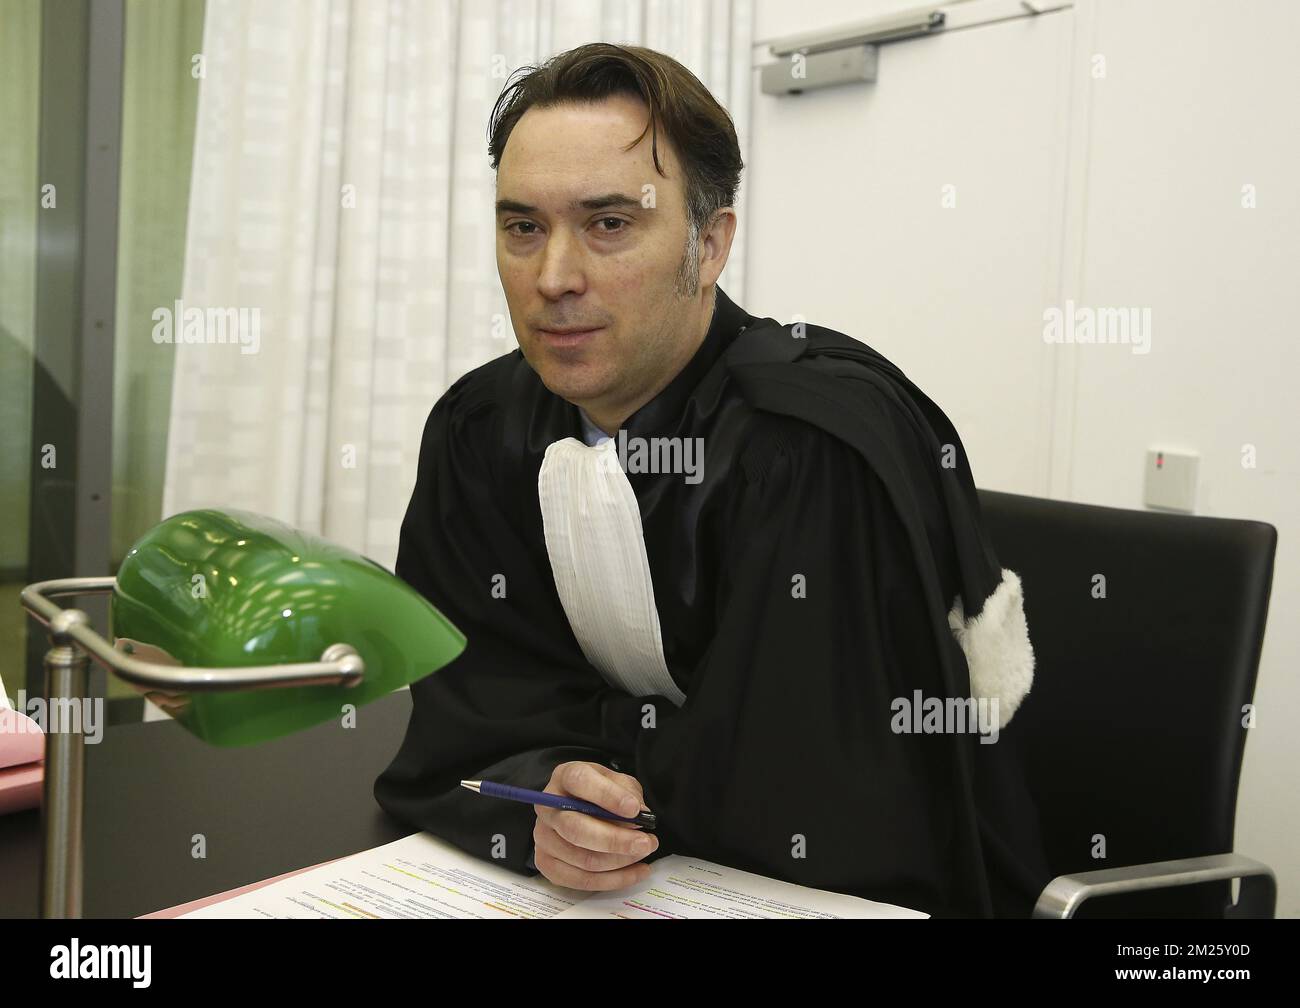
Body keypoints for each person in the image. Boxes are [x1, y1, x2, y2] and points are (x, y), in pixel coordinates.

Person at [373, 42, 1050, 918]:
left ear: (710, 243)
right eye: (523, 227)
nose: (554, 278)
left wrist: (599, 771)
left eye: (610, 224)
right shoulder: (480, 429)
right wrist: (543, 791)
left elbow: (804, 793)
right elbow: (467, 714)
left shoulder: (806, 448)